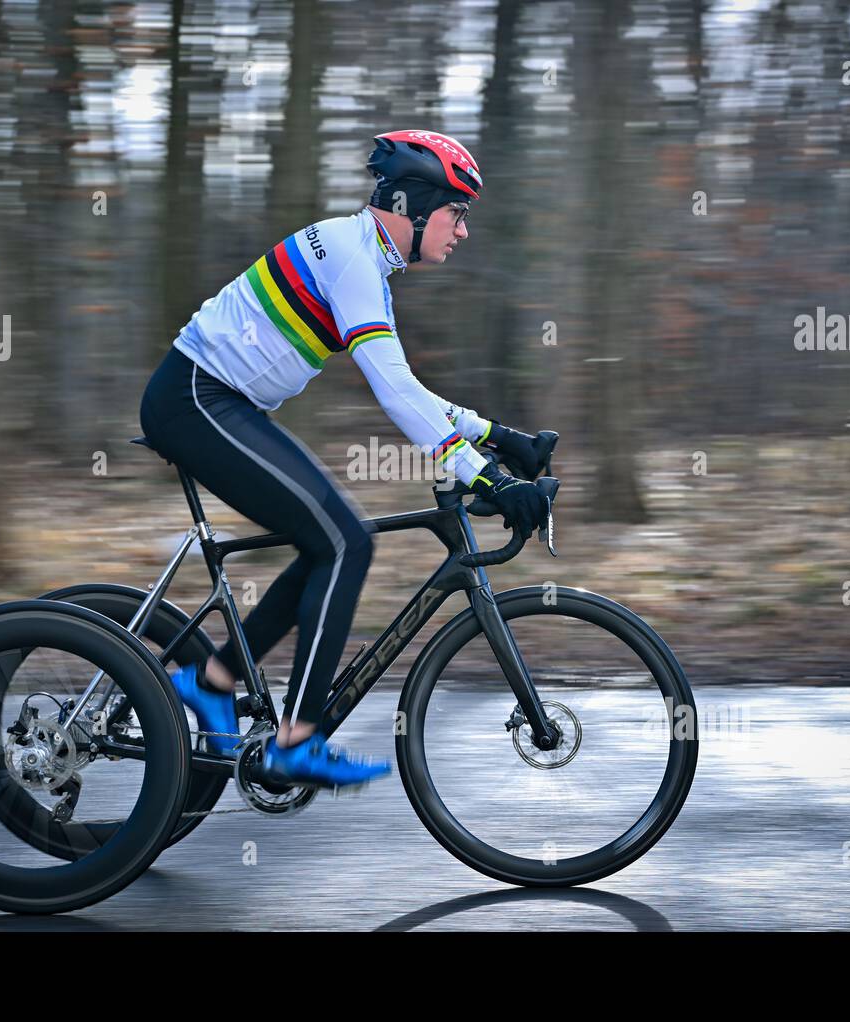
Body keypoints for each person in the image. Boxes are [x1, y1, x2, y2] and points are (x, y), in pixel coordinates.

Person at [139, 129, 549, 791]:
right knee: (345, 541)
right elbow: (394, 394)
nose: (463, 231)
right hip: (197, 401)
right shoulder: (355, 261)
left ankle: (213, 682)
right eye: (458, 213)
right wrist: (488, 476)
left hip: (215, 401)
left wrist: (501, 436)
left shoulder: (363, 256)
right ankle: (295, 742)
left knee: (326, 539)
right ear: (414, 205)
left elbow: (405, 387)